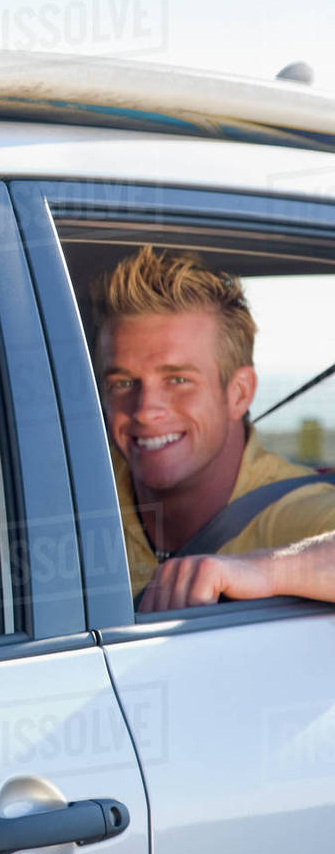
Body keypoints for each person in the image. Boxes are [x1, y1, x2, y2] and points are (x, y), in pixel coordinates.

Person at [92, 246, 335, 610]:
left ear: (239, 394)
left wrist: (265, 570)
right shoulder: (80, 489)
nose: (145, 411)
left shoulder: (294, 511)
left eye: (177, 380)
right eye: (123, 384)